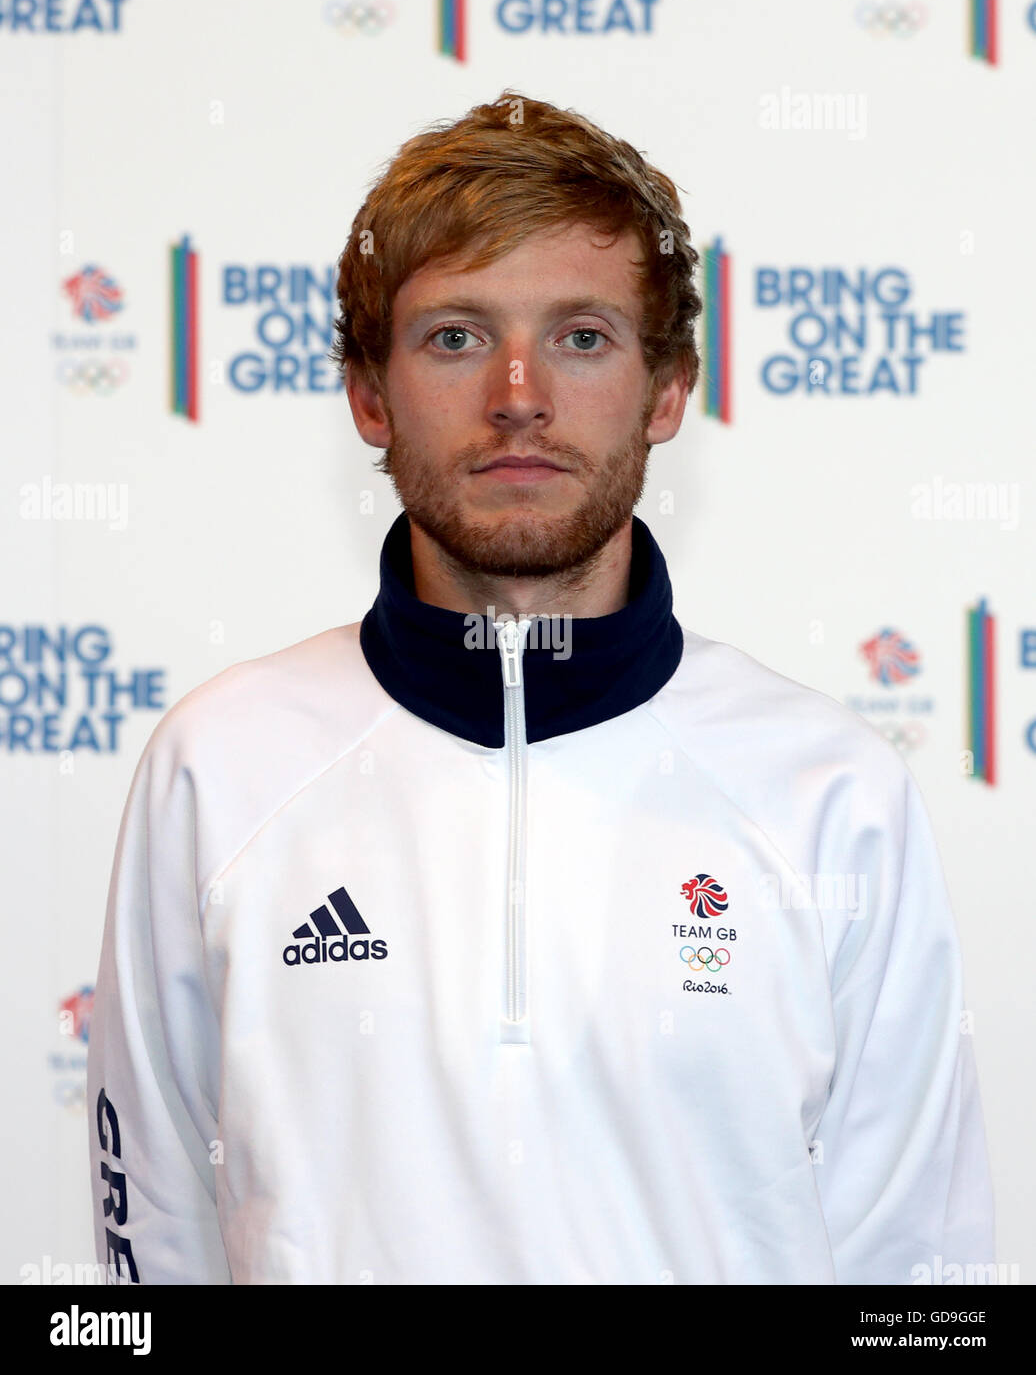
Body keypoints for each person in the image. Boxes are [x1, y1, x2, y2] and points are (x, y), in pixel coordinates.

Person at [87, 90, 995, 1285]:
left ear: (668, 391)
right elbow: (152, 1246)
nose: (519, 393)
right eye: (456, 336)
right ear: (369, 392)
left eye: (580, 335)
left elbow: (910, 1274)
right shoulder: (219, 768)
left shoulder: (830, 793)